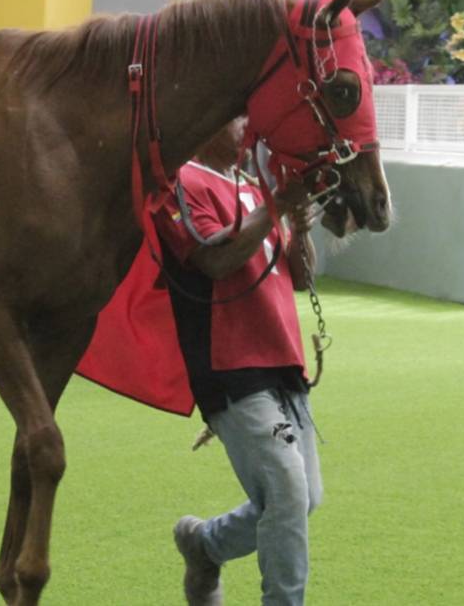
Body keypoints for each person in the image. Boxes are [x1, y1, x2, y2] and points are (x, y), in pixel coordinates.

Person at [158, 117, 322, 606]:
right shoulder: (183, 184)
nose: (249, 129)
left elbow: (300, 276)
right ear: (207, 123)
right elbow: (214, 260)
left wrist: (297, 225)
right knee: (288, 496)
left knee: (302, 499)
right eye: (238, 119)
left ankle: (204, 545)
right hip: (229, 365)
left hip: (283, 362)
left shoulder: (249, 185)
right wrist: (276, 208)